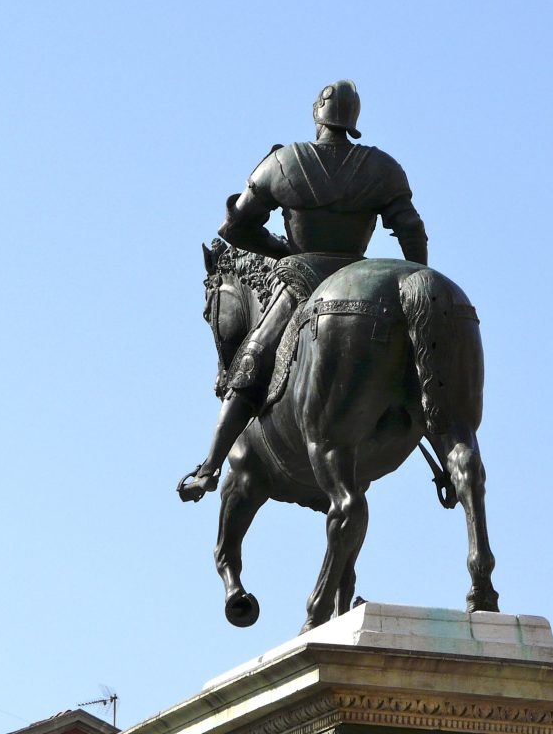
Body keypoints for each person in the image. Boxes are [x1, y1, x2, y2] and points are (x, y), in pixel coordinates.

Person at [178, 80, 428, 502]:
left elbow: (234, 228)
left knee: (252, 357)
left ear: (318, 114)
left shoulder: (284, 162)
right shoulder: (383, 167)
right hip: (364, 274)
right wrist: (415, 275)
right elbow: (411, 230)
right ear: (352, 121)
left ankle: (210, 467)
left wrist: (282, 250)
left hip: (303, 275)